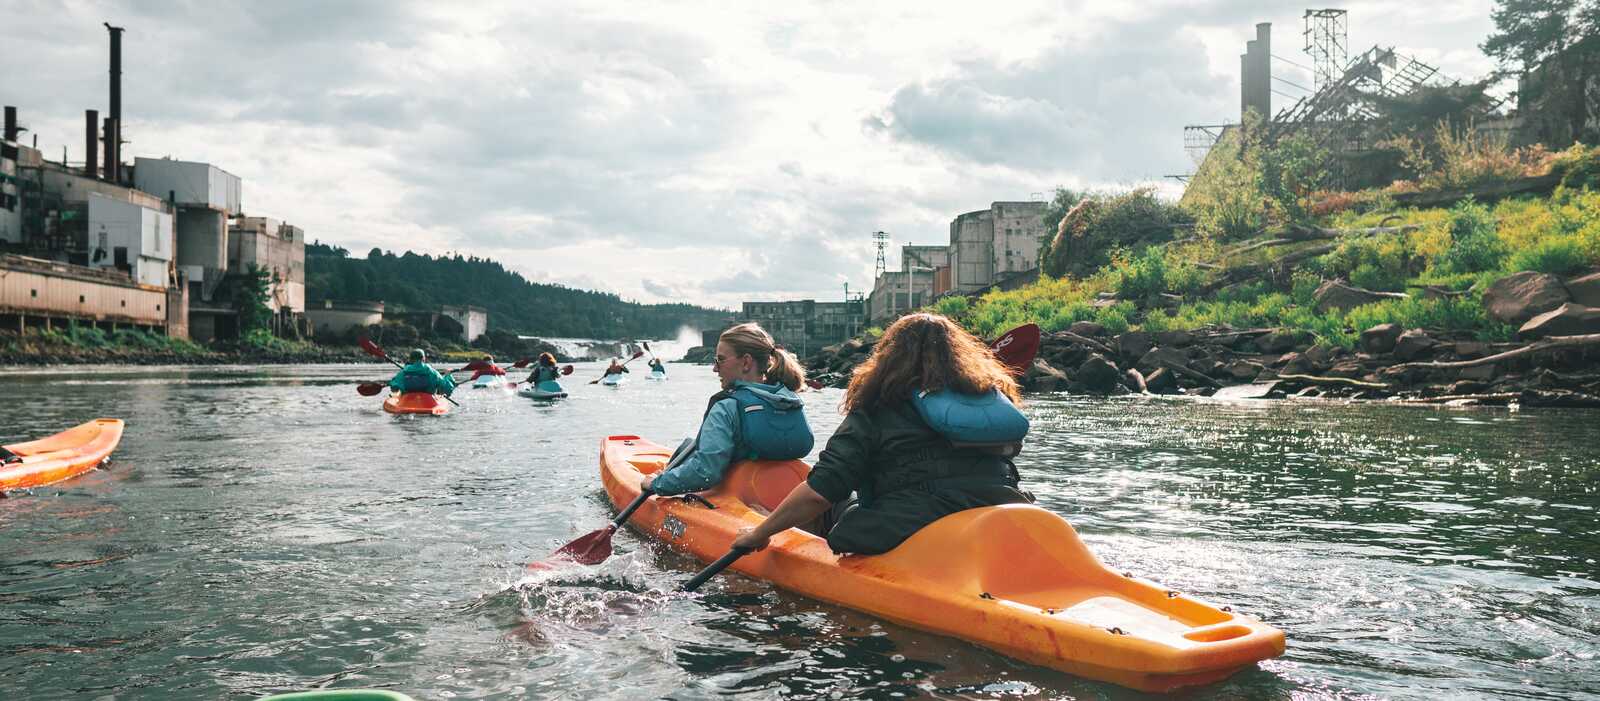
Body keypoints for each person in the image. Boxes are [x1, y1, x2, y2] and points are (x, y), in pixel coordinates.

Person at [730, 313, 1031, 556]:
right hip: (1001, 511)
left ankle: (777, 525)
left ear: (888, 356)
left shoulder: (878, 408)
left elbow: (819, 492)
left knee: (838, 507)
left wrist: (759, 534)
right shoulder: (985, 401)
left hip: (915, 523)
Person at [642, 323, 813, 496]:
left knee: (687, 446)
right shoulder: (789, 400)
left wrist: (657, 483)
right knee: (688, 444)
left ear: (746, 362)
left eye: (720, 360)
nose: (715, 368)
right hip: (784, 495)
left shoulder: (727, 406)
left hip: (737, 499)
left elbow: (705, 472)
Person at [389, 348, 456, 396]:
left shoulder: (403, 372)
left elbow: (394, 388)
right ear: (423, 359)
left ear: (410, 360)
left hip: (407, 402)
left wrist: (394, 385)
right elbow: (448, 389)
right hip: (428, 403)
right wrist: (448, 375)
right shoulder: (432, 372)